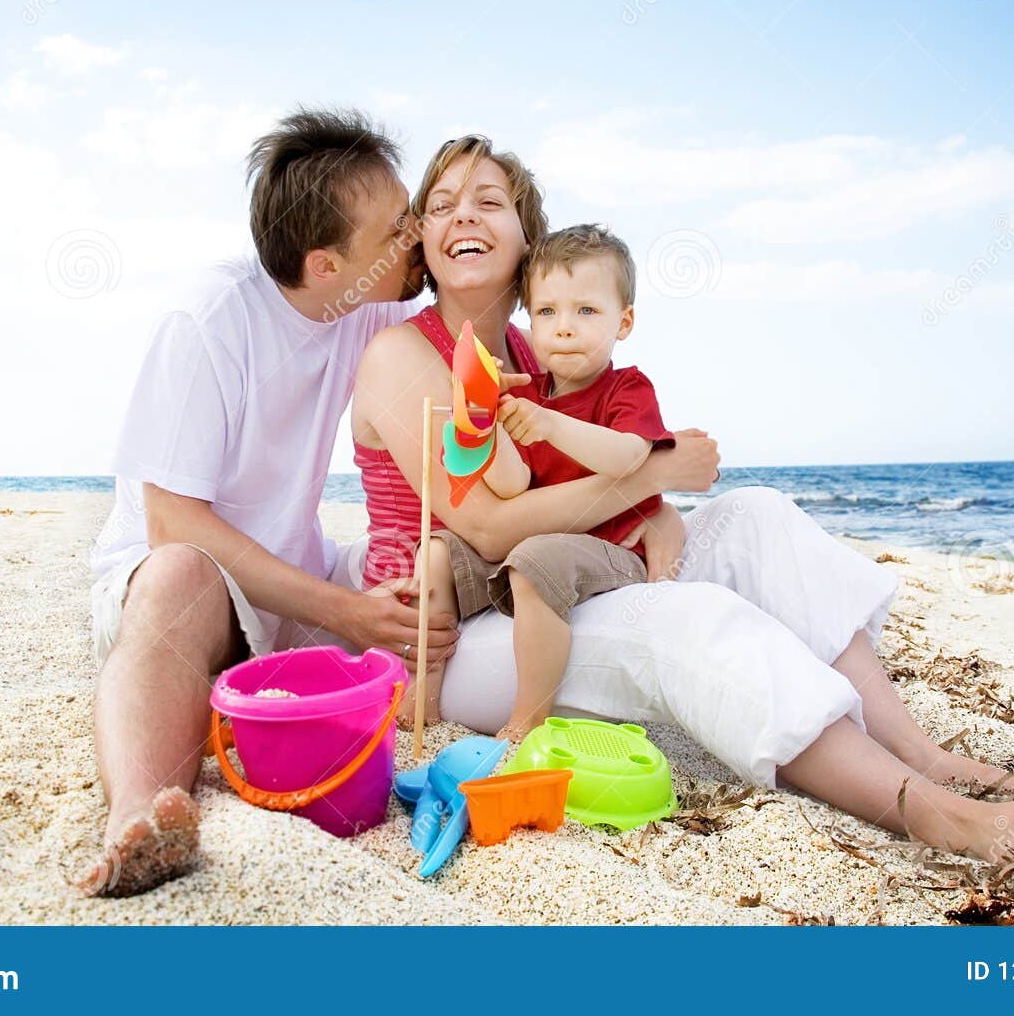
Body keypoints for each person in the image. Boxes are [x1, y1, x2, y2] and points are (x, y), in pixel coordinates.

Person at [351, 134, 1014, 867]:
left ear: (530, 242)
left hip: (547, 586)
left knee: (754, 515)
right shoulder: (401, 354)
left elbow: (574, 478)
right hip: (459, 636)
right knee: (677, 619)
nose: (464, 215)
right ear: (420, 236)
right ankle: (922, 806)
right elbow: (483, 521)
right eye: (444, 201)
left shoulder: (535, 353)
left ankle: (917, 748)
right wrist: (652, 476)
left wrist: (652, 510)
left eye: (489, 200)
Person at [75, 110, 721, 897]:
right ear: (325, 264)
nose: (418, 235)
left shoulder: (366, 305)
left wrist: (644, 503)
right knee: (182, 575)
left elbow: (490, 345)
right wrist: (347, 614)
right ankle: (142, 817)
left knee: (400, 579)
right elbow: (174, 526)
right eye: (398, 228)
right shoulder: (209, 323)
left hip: (296, 573)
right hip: (178, 582)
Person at [402, 224, 679, 740]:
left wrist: (550, 424)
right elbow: (514, 484)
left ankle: (529, 719)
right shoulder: (535, 398)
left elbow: (628, 457)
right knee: (435, 550)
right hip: (534, 546)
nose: (565, 327)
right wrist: (488, 428)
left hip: (609, 547)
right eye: (548, 312)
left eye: (586, 311)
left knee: (533, 560)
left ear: (625, 321)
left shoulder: (628, 387)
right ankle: (425, 688)